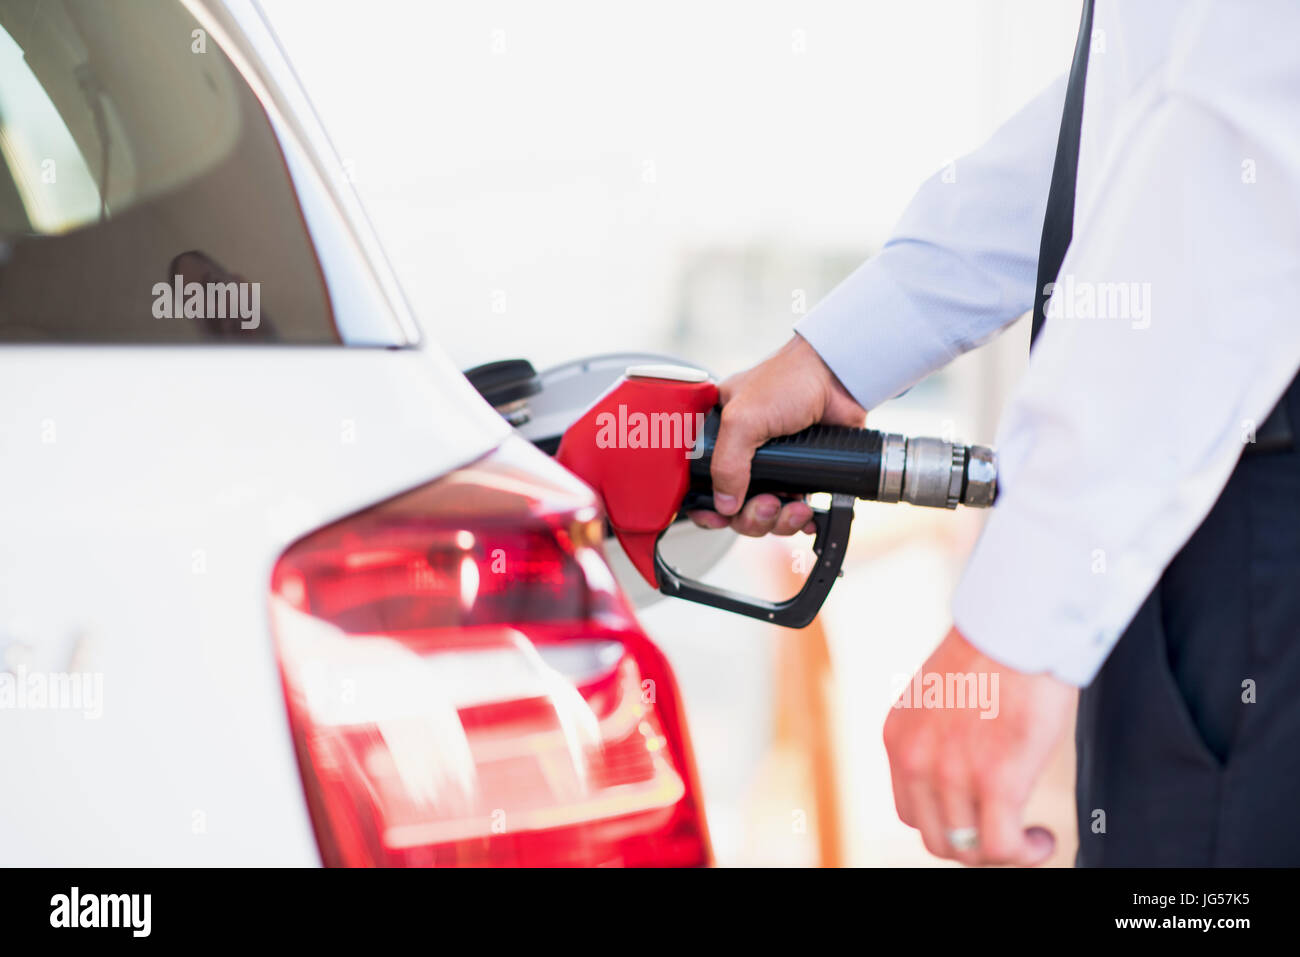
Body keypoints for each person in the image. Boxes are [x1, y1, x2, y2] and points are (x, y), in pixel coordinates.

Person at [690, 0, 1300, 866]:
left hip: (1250, 529)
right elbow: (1132, 105)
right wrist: (841, 353)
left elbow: (1240, 140)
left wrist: (1016, 619)